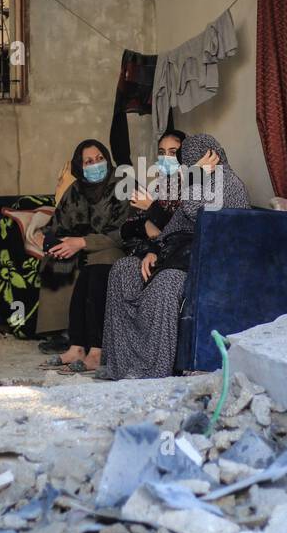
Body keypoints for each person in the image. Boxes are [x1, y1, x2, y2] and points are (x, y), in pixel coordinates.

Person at [101, 133, 247, 380]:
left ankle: (153, 369)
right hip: (176, 254)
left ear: (213, 156)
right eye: (187, 162)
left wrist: (194, 177)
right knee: (124, 269)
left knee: (166, 283)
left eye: (195, 161)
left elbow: (195, 211)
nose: (189, 166)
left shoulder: (230, 183)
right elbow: (174, 225)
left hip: (205, 262)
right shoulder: (194, 181)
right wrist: (153, 250)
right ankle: (122, 365)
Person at [40, 139, 129, 372]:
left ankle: (97, 350)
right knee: (57, 256)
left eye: (99, 159)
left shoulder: (123, 184)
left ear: (107, 159)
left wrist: (82, 242)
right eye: (88, 161)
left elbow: (124, 231)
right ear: (80, 166)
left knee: (99, 263)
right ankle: (75, 345)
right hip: (84, 245)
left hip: (115, 246)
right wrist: (57, 242)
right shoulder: (76, 189)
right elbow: (57, 225)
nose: (95, 164)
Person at [120, 128, 186, 246]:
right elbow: (126, 229)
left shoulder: (192, 189)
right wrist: (146, 225)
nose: (165, 158)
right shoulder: (158, 187)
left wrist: (151, 207)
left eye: (173, 153)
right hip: (150, 249)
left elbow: (183, 230)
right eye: (161, 153)